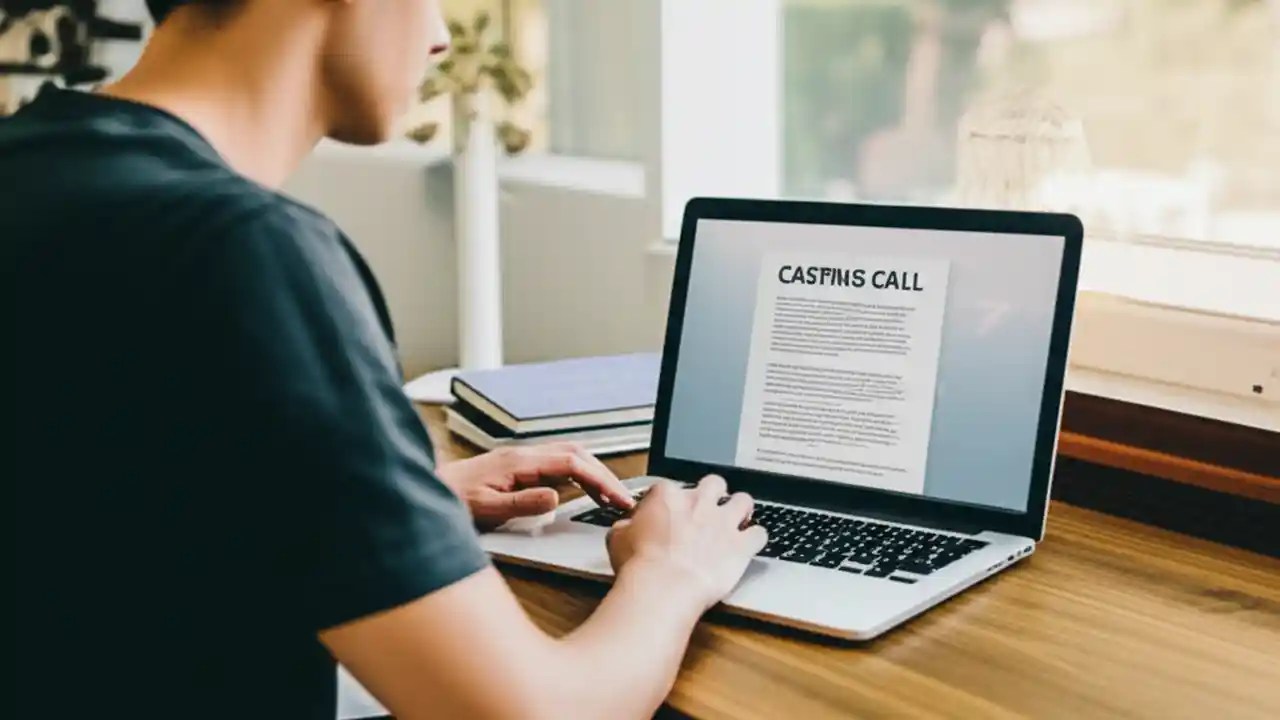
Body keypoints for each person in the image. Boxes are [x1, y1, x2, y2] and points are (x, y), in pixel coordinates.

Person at [7, 0, 768, 718]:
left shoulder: (32, 161)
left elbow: (96, 498)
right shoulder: (243, 250)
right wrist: (673, 573)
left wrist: (393, 509)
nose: (438, 35)